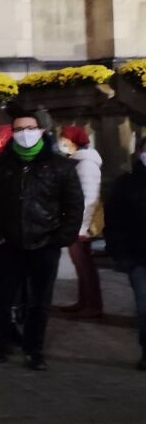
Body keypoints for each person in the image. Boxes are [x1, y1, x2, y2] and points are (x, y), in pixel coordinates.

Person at [0, 109, 83, 371]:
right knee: (1, 301)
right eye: (19, 129)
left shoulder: (60, 166)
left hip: (44, 243)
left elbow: (74, 205)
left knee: (39, 302)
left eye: (30, 129)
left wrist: (61, 238)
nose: (25, 134)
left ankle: (34, 350)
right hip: (8, 244)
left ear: (41, 132)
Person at [103, 135, 146, 371]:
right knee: (144, 308)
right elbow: (114, 220)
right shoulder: (126, 183)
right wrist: (119, 253)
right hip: (139, 256)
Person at [56, 124, 103, 318]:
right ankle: (84, 301)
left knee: (85, 267)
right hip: (76, 223)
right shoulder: (78, 162)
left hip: (79, 227)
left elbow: (88, 198)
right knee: (82, 266)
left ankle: (93, 305)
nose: (62, 143)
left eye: (64, 139)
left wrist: (81, 228)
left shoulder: (85, 164)